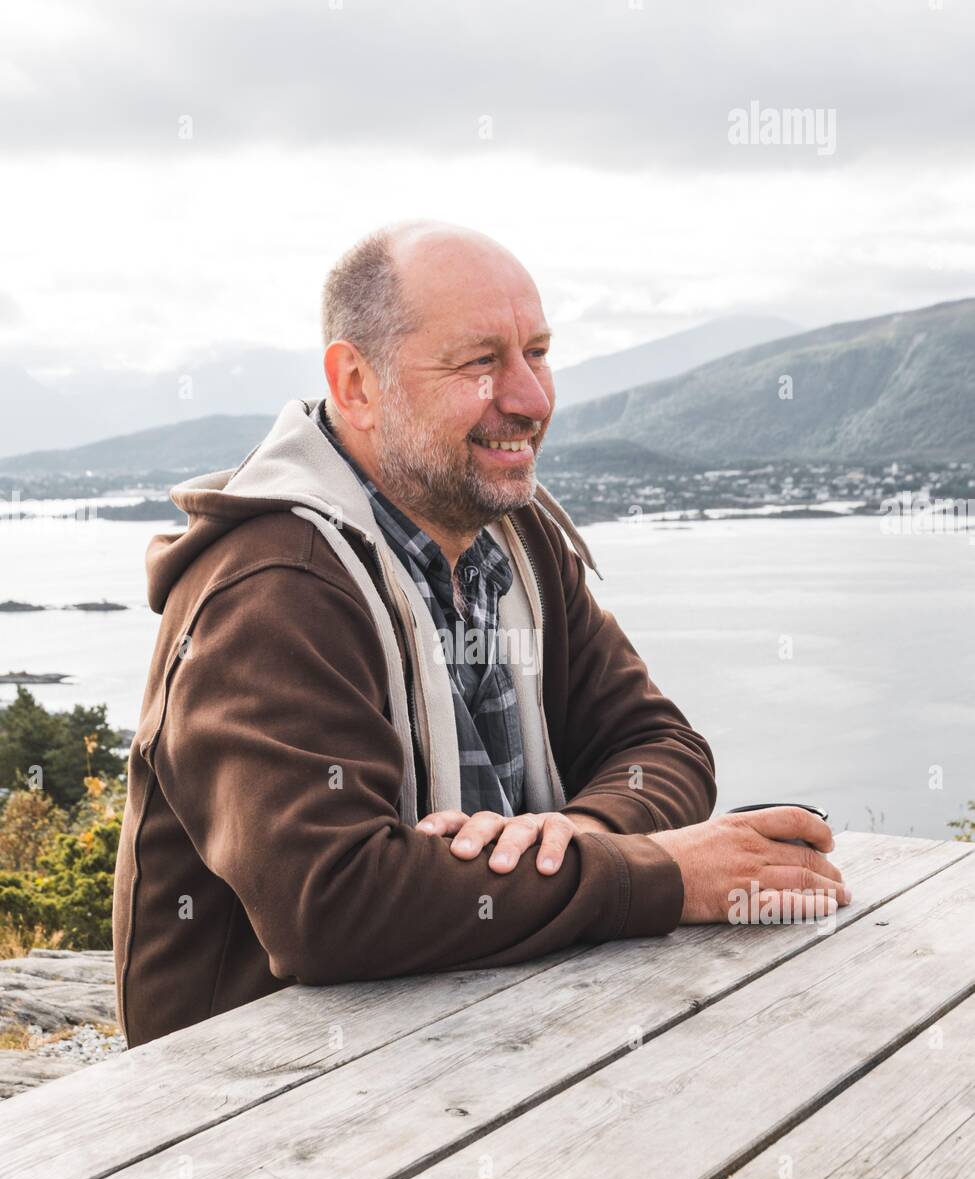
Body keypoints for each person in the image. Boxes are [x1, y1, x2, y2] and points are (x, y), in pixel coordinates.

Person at [112, 219, 847, 1048]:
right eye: (480, 362)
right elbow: (329, 902)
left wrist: (579, 837)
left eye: (536, 352)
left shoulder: (516, 539)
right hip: (251, 1104)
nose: (530, 398)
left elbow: (657, 743)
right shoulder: (278, 585)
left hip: (473, 1044)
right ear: (357, 384)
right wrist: (662, 874)